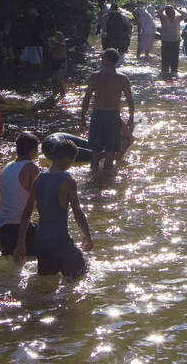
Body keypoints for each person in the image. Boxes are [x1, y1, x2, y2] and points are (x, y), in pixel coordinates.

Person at [13, 137, 92, 278]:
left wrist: (20, 243)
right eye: (72, 160)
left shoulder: (39, 178)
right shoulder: (68, 182)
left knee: (46, 285)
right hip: (61, 243)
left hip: (41, 242)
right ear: (67, 158)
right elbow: (77, 212)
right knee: (81, 277)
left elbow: (27, 212)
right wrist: (87, 236)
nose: (72, 164)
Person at [77, 49, 135, 177]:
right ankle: (107, 181)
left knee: (95, 152)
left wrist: (82, 118)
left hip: (98, 115)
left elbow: (86, 100)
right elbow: (130, 101)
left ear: (107, 60)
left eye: (102, 57)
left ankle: (94, 180)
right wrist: (131, 118)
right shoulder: (122, 78)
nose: (101, 59)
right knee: (111, 151)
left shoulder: (95, 76)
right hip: (113, 116)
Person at [0, 132, 41, 258]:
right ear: (32, 151)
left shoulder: (7, 167)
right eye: (37, 150)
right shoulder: (31, 168)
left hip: (2, 232)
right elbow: (40, 201)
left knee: (12, 268)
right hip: (20, 232)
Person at [158, 6, 182, 79]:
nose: (173, 14)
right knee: (165, 59)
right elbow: (159, 12)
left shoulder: (178, 18)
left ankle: (174, 74)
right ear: (167, 13)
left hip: (176, 41)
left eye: (174, 12)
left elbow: (185, 15)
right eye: (171, 12)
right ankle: (165, 74)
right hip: (166, 42)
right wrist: (165, 7)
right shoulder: (164, 18)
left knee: (175, 59)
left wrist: (177, 9)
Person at [19, 6, 45, 74]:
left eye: (30, 10)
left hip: (37, 43)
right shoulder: (31, 19)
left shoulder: (40, 19)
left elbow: (41, 31)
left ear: (34, 10)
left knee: (38, 61)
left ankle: (40, 75)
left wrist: (38, 41)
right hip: (29, 43)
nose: (29, 12)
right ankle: (29, 75)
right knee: (24, 59)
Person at [47, 29, 68, 100]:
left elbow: (63, 46)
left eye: (60, 36)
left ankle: (63, 95)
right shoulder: (52, 41)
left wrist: (55, 42)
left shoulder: (62, 43)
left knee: (58, 79)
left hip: (62, 61)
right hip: (54, 62)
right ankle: (54, 94)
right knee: (54, 80)